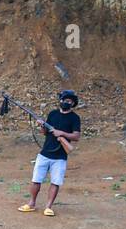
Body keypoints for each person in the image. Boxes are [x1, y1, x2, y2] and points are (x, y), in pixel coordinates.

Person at [18, 89, 81, 217]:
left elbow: (76, 136)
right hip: (45, 153)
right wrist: (41, 125)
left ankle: (48, 207)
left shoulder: (75, 118)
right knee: (36, 180)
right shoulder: (53, 114)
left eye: (69, 101)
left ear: (73, 103)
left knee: (55, 182)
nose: (66, 102)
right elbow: (45, 132)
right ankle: (31, 203)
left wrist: (62, 133)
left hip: (60, 156)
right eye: (64, 100)